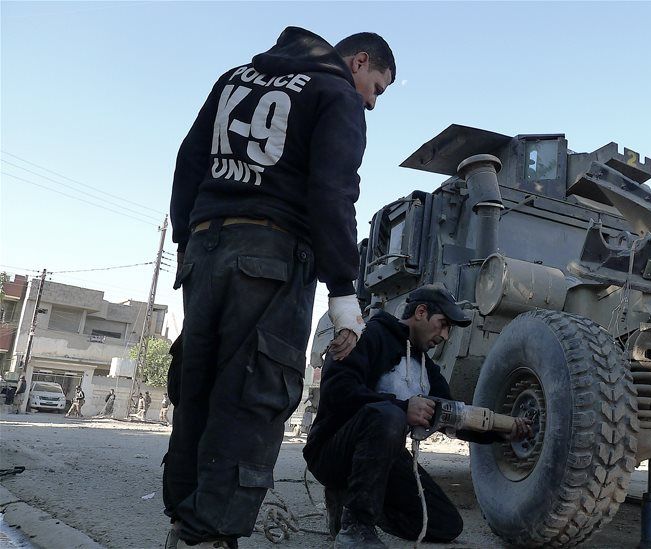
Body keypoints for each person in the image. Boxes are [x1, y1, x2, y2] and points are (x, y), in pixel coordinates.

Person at [163, 27, 395, 549]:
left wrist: (188, 243)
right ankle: (207, 536)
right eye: (377, 88)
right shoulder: (335, 94)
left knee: (197, 387)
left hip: (205, 247)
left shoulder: (234, 80)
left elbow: (188, 163)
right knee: (251, 395)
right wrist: (343, 290)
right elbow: (332, 193)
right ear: (359, 62)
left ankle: (183, 522)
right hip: (271, 256)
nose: (372, 102)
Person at [303, 285, 532, 548]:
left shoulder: (427, 369)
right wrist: (402, 408)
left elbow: (451, 414)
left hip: (380, 459)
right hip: (332, 451)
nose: (445, 335)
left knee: (445, 524)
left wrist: (501, 431)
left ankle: (352, 502)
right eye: (443, 324)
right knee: (388, 416)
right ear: (421, 312)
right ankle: (356, 526)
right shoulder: (368, 336)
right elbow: (338, 391)